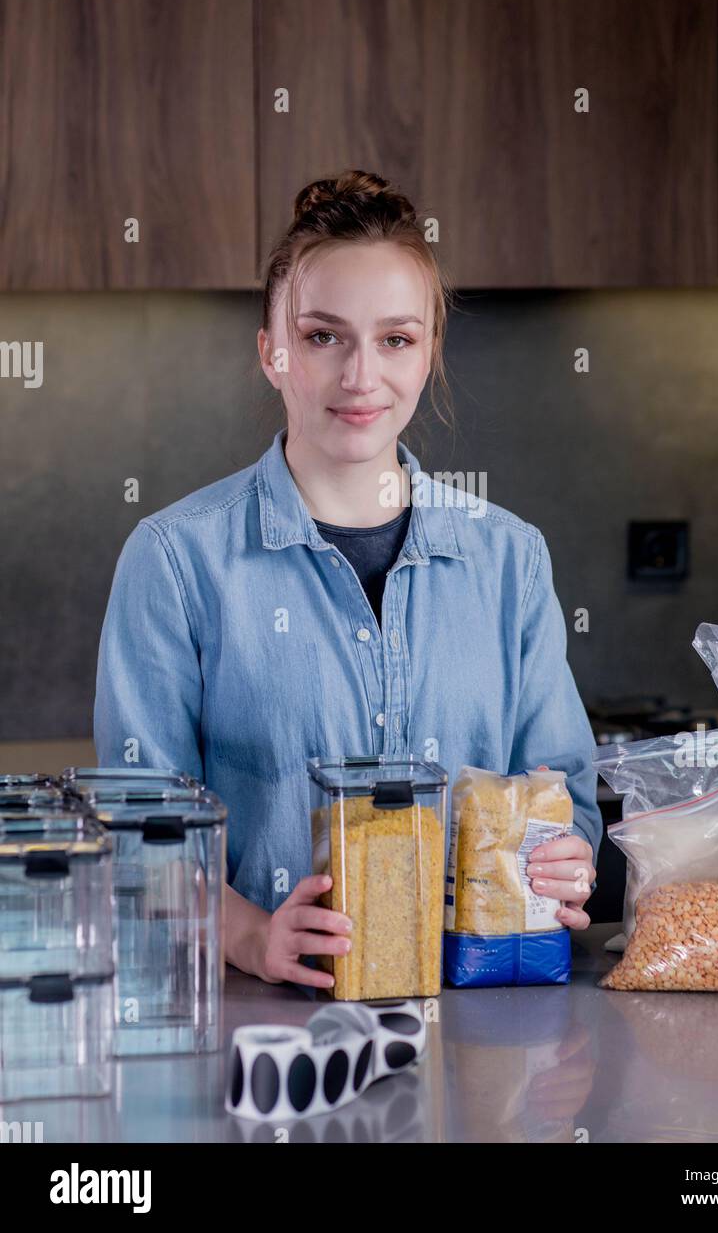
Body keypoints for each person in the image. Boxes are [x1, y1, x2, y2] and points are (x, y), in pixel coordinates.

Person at [94, 169, 602, 989]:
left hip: (483, 1026)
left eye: (396, 339)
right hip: (268, 1028)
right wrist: (249, 935)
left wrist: (567, 858)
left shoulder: (510, 559)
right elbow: (142, 824)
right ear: (273, 352)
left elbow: (562, 791)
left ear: (428, 349)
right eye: (325, 336)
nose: (362, 376)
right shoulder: (177, 561)